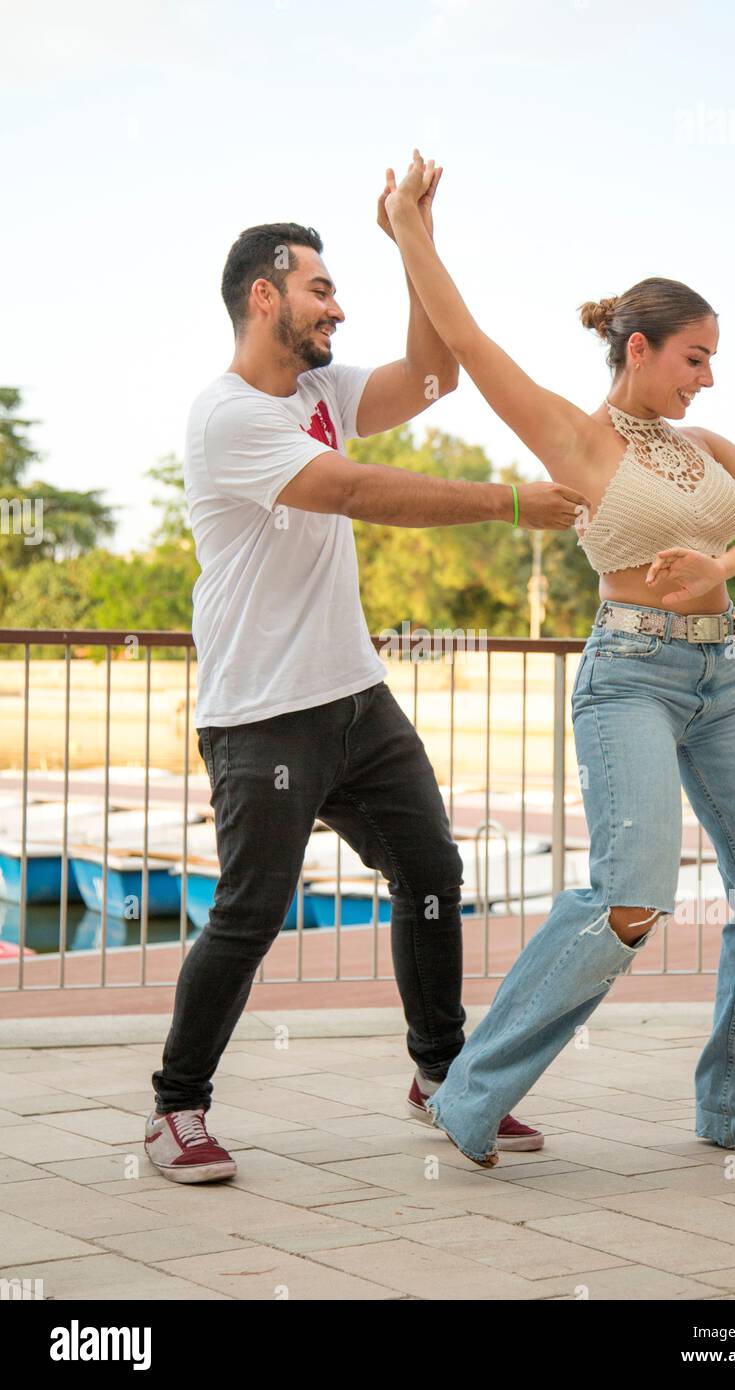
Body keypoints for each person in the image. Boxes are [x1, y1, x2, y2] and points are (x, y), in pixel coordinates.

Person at [383, 150, 735, 1168]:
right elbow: (464, 338)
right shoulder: (574, 443)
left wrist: (722, 561)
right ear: (638, 347)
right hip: (627, 672)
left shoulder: (706, 444)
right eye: (693, 355)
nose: (708, 375)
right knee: (629, 895)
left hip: (719, 677)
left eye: (711, 358)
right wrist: (410, 230)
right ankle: (468, 1096)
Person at [144, 170, 585, 1183]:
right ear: (266, 295)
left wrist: (408, 243)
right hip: (262, 715)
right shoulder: (224, 418)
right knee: (251, 913)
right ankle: (175, 1107)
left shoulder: (322, 391)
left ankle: (441, 1073)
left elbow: (435, 378)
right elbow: (352, 491)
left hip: (353, 697)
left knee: (429, 872)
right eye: (321, 289)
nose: (337, 307)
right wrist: (506, 501)